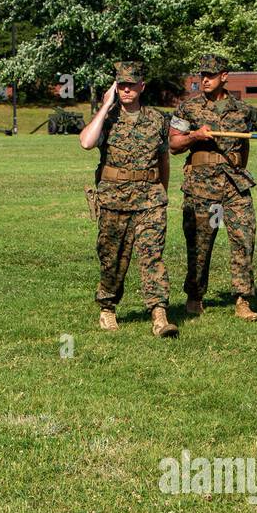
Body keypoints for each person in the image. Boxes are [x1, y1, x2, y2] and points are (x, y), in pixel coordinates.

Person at [79, 61, 176, 337]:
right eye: (121, 85)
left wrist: (162, 193)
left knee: (152, 256)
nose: (126, 89)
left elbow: (164, 159)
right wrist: (105, 105)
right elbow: (86, 142)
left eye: (131, 85)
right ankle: (107, 308)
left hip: (150, 199)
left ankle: (159, 314)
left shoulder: (158, 119)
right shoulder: (107, 120)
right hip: (114, 200)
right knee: (112, 259)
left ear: (141, 87)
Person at [169, 54, 257, 322]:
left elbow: (244, 146)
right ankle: (195, 296)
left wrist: (238, 167)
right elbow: (174, 146)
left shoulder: (242, 110)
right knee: (200, 243)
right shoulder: (189, 109)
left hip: (234, 185)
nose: (205, 80)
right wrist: (195, 136)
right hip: (201, 185)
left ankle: (243, 299)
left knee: (244, 238)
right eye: (202, 75)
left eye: (211, 75)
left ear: (225, 76)